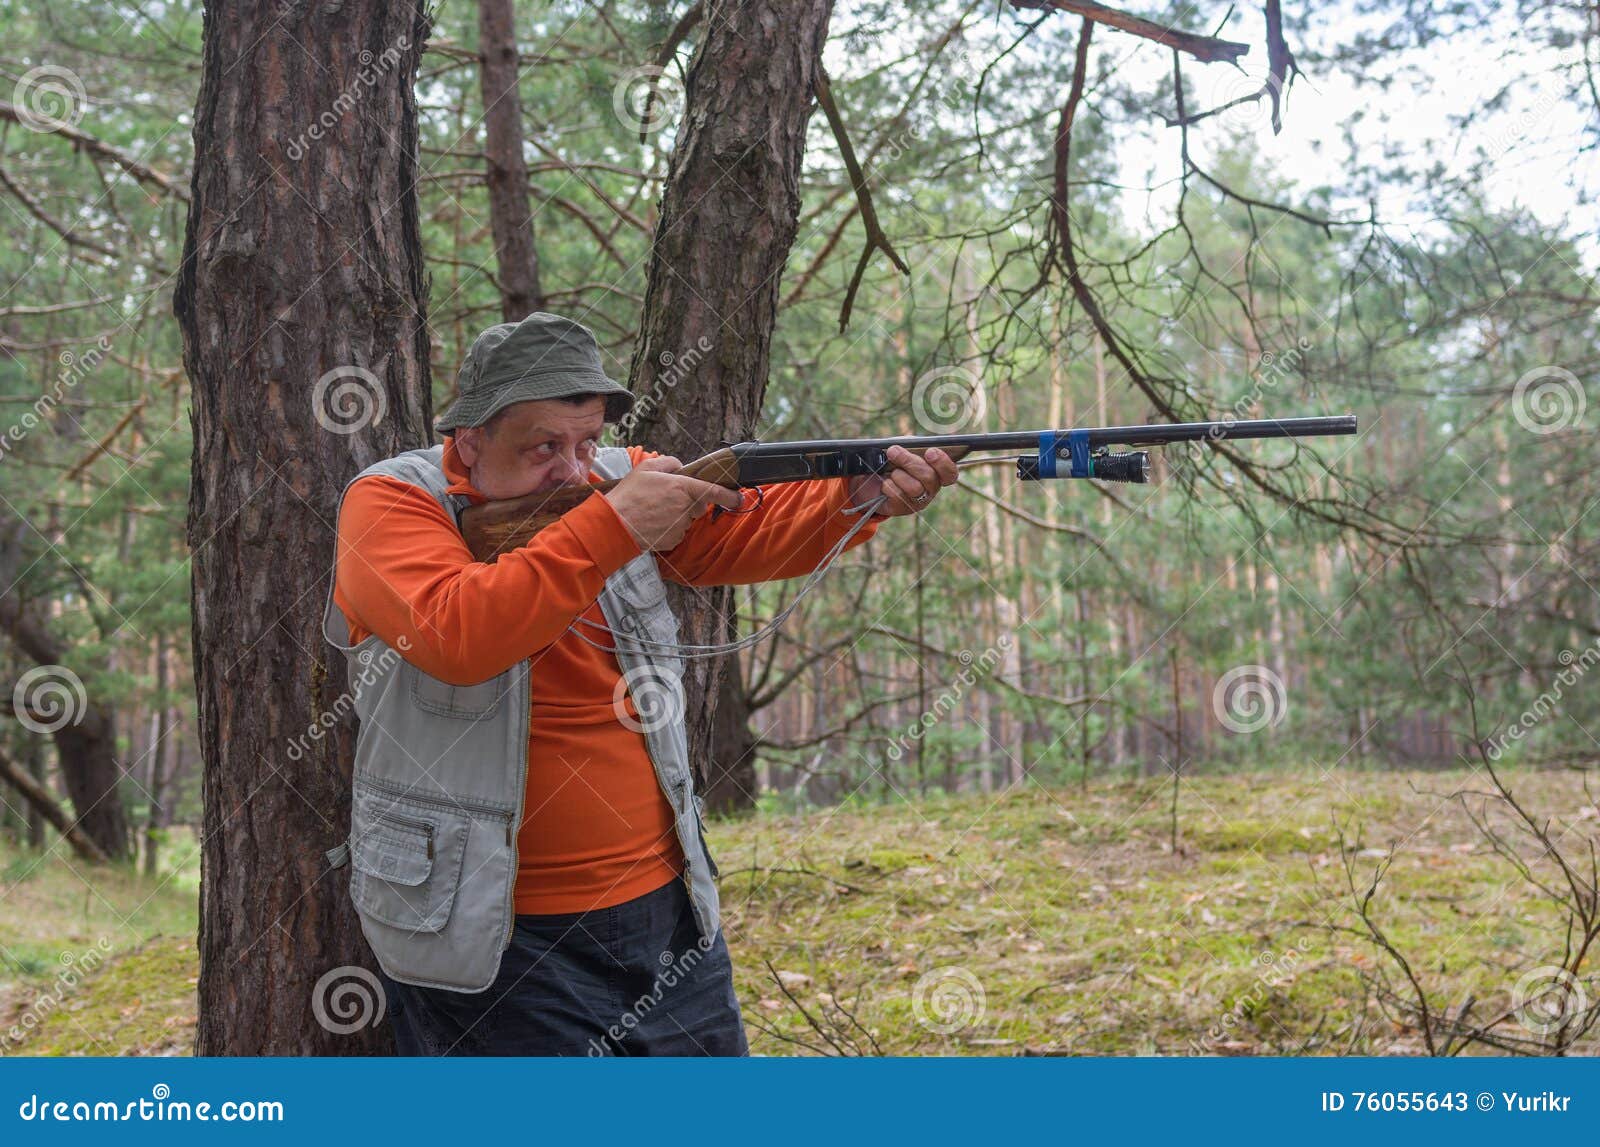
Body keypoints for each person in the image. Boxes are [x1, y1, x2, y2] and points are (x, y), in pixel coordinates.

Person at [321, 311, 956, 1055]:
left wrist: (857, 497)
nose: (573, 471)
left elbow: (744, 528)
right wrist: (613, 525)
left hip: (667, 914)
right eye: (543, 447)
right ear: (469, 440)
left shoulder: (622, 482)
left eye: (586, 443)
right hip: (490, 937)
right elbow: (457, 634)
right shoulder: (391, 501)